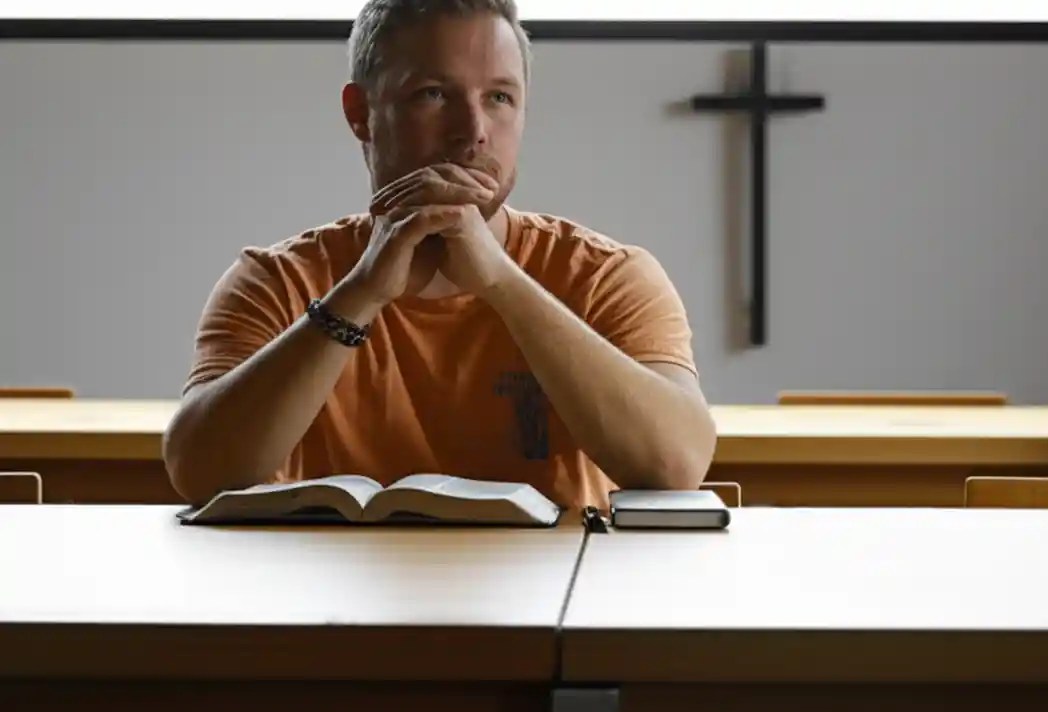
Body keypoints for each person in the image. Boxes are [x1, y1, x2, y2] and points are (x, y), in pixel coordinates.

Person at [162, 0, 716, 510]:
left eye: (499, 97)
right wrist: (362, 293)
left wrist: (503, 282)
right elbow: (199, 472)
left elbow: (675, 467)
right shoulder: (275, 280)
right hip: (329, 610)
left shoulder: (608, 275)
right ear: (361, 113)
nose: (473, 132)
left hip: (552, 606)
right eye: (433, 93)